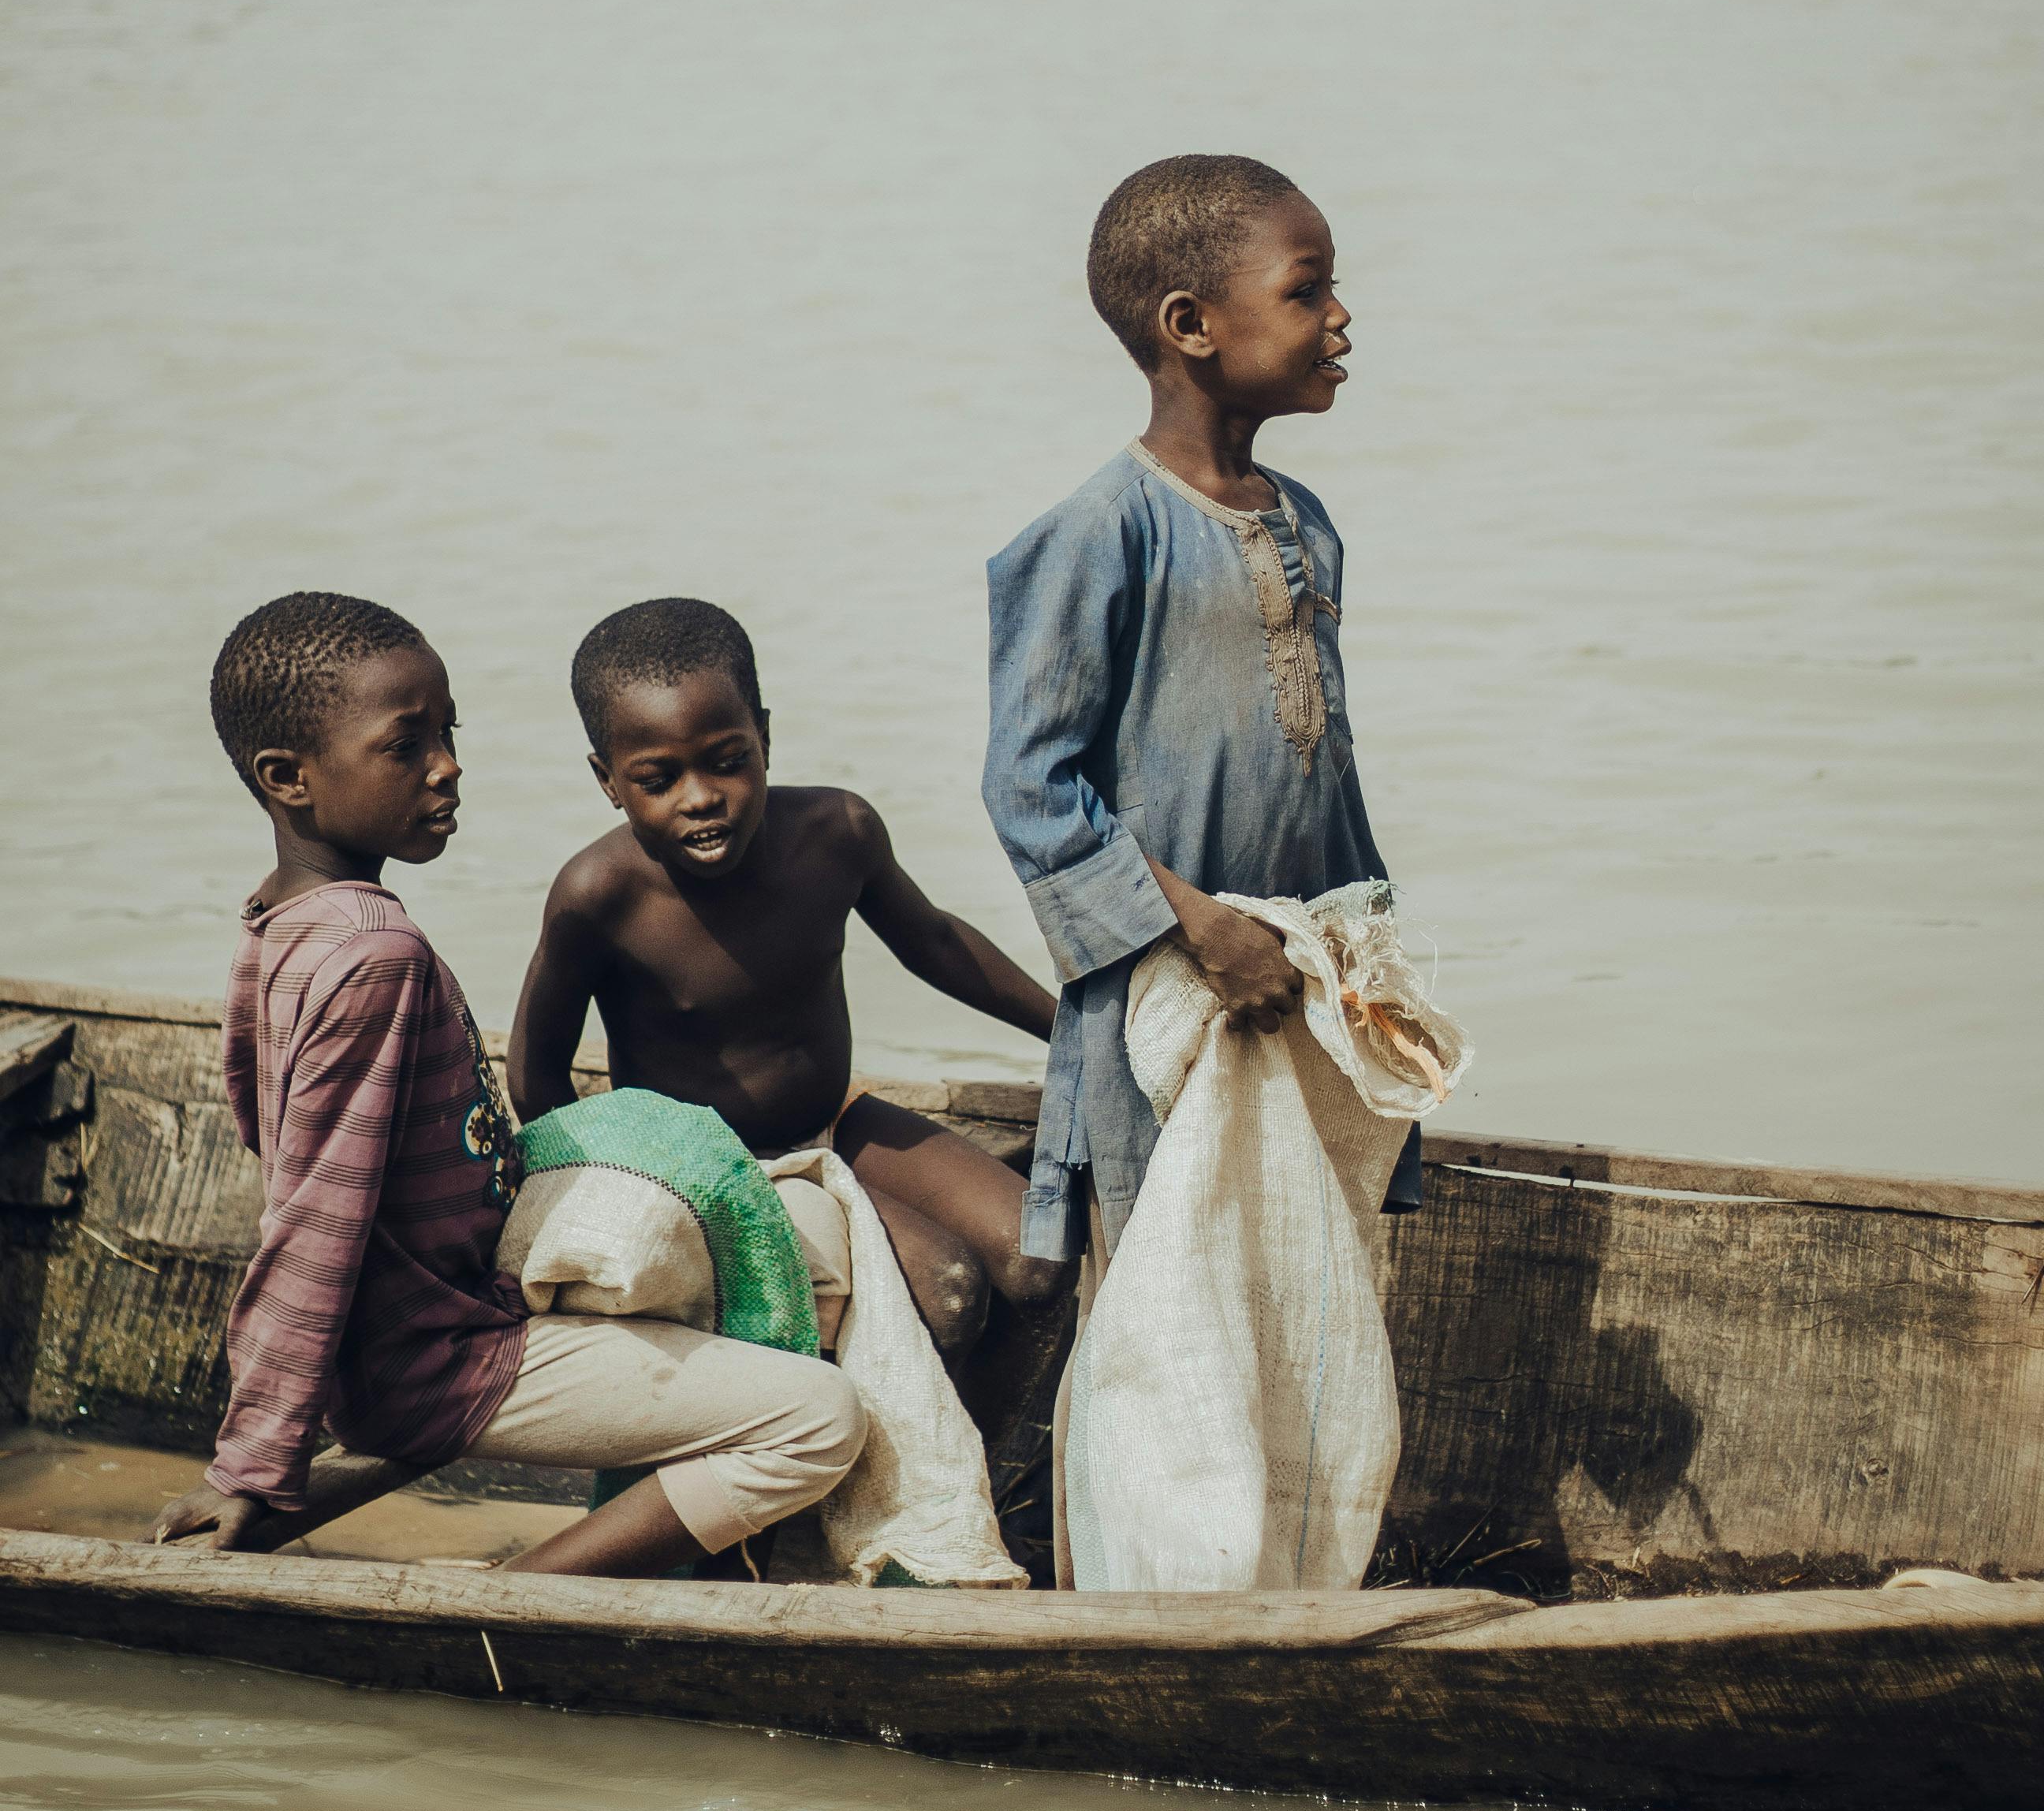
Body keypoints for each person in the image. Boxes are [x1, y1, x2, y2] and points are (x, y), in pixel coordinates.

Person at [151, 590, 865, 1578]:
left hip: (445, 1311)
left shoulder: (279, 925)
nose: (448, 765)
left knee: (762, 1259)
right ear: (289, 778)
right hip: (440, 1357)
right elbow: (312, 1222)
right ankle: (524, 1599)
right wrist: (252, 1461)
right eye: (408, 746)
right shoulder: (375, 953)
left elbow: (256, 1116)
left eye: (449, 732)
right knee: (820, 1420)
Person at [981, 153, 1424, 1298]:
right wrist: (1202, 932)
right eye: (1307, 289)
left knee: (1305, 1300)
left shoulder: (1305, 524)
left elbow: (1321, 773)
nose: (1339, 317)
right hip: (1165, 1002)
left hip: (1301, 994)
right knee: (1166, 1320)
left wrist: (1368, 964)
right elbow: (1030, 789)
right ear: (1190, 324)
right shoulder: (1099, 533)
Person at [508, 598, 1074, 1376]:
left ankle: (968, 1481)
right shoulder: (599, 895)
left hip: (839, 1120)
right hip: (721, 1172)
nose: (701, 796)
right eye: (658, 778)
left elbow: (936, 944)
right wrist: (630, 1192)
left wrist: (1073, 1033)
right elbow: (535, 1080)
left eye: (727, 759)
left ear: (764, 737)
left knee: (1042, 1261)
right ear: (608, 780)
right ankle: (854, 1472)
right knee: (948, 1292)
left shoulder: (838, 833)